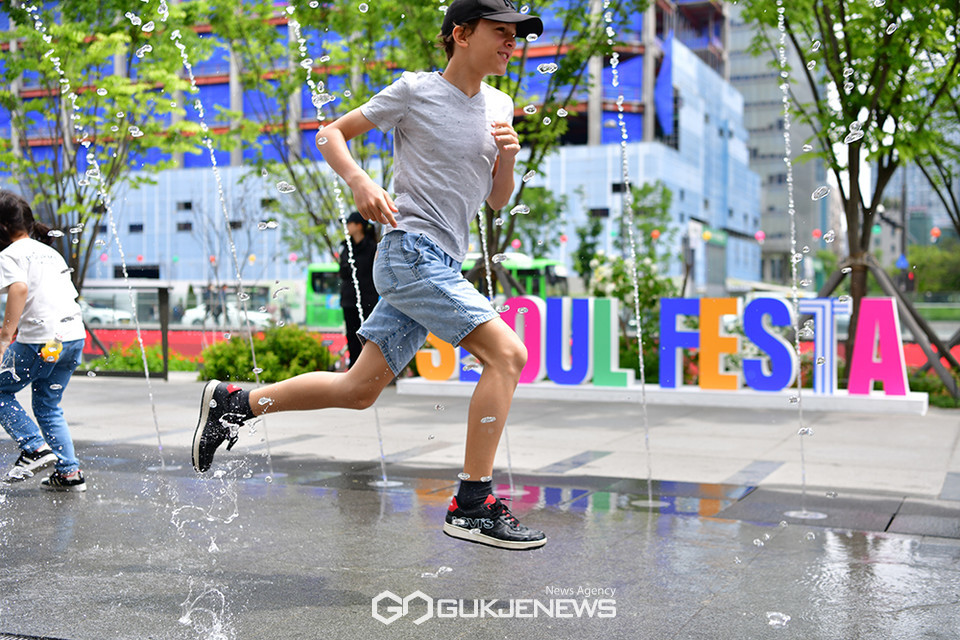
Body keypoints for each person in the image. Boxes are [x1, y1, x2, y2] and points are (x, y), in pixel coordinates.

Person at [191, 0, 545, 550]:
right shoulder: (415, 90)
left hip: (440, 260)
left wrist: (508, 158)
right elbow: (330, 134)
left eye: (515, 36)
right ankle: (472, 503)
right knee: (509, 355)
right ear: (460, 34)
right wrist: (359, 182)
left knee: (359, 390)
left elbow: (497, 202)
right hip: (411, 252)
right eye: (501, 33)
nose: (511, 44)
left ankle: (237, 404)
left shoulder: (500, 103)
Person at [0, 190, 87, 491]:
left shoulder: (10, 254)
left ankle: (34, 448)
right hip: (72, 339)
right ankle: (68, 472)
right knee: (48, 406)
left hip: (39, 342)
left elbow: (20, 289)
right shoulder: (50, 253)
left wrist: (5, 336)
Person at [339, 211, 378, 368]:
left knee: (370, 336)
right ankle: (354, 368)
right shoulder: (346, 247)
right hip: (349, 299)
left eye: (349, 223)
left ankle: (371, 369)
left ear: (359, 226)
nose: (346, 226)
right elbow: (342, 273)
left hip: (368, 299)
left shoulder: (372, 248)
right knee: (351, 335)